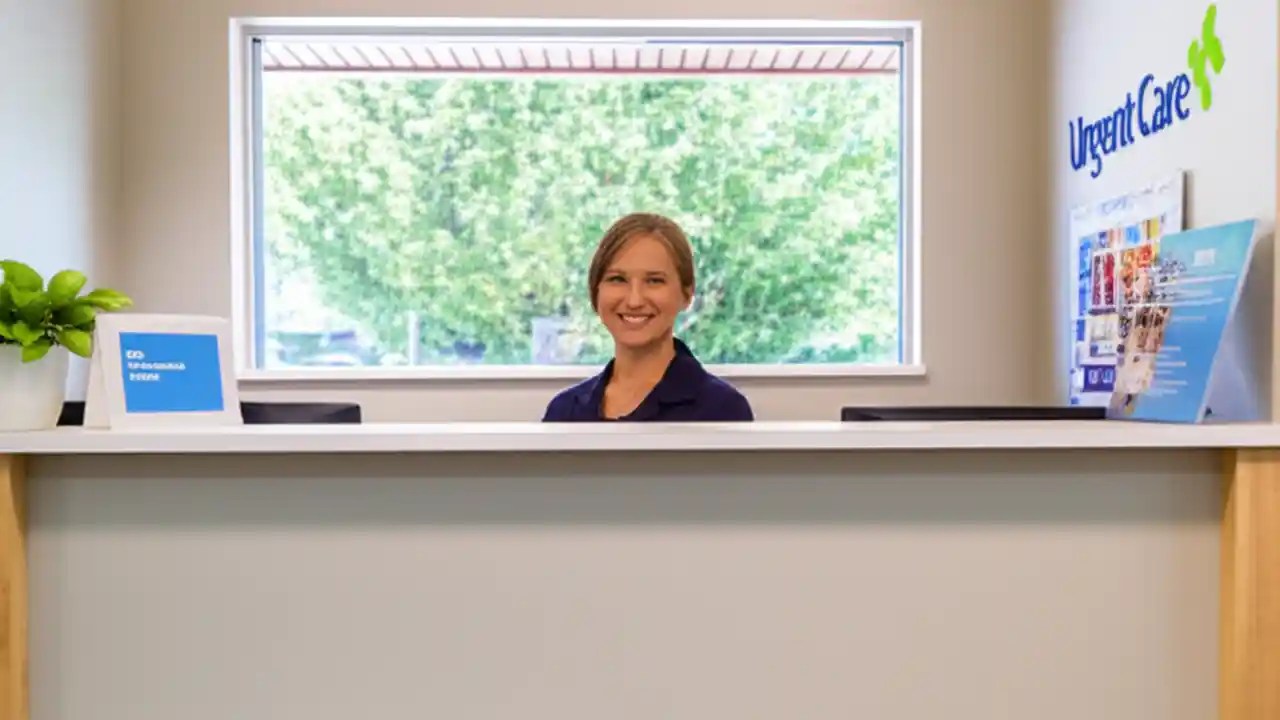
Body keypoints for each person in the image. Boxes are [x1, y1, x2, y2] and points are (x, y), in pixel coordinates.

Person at [542, 212, 754, 422]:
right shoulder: (564, 412)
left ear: (686, 294)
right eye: (617, 279)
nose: (635, 300)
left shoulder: (722, 410)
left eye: (654, 281)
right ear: (595, 292)